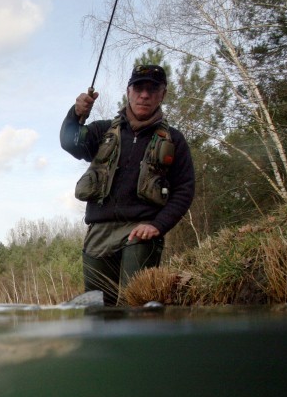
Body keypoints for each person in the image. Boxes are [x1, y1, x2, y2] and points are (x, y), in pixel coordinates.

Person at [60, 64, 195, 305]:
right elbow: (70, 141)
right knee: (98, 308)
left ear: (162, 95)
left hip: (140, 232)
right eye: (139, 88)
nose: (144, 95)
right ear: (128, 91)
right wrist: (76, 113)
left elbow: (184, 189)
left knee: (136, 304)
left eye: (152, 90)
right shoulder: (102, 131)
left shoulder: (174, 140)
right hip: (99, 232)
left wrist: (158, 225)